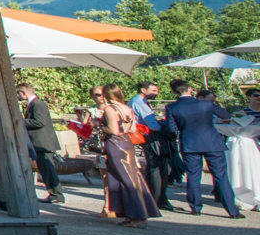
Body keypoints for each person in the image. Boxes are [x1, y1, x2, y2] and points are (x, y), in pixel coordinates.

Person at [165, 80, 244, 218]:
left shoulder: (172, 107)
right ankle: (232, 210)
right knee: (221, 176)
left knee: (193, 175)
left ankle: (196, 207)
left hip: (189, 144)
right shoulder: (206, 104)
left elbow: (171, 129)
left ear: (174, 92)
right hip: (211, 142)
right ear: (190, 89)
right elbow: (226, 115)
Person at [97, 83, 155, 225]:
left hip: (116, 144)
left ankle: (137, 215)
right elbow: (132, 128)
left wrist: (99, 126)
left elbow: (114, 130)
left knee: (125, 179)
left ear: (106, 95)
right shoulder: (127, 108)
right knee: (132, 177)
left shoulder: (110, 109)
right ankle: (134, 214)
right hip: (127, 142)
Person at [131, 81, 175, 211]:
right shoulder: (139, 103)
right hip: (150, 137)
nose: (156, 94)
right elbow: (152, 125)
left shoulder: (137, 101)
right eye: (154, 91)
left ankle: (154, 198)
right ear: (144, 90)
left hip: (146, 136)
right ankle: (157, 199)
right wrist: (163, 125)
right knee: (157, 169)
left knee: (154, 168)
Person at [19, 82, 64, 204]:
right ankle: (54, 193)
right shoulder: (33, 104)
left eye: (19, 93)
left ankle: (56, 194)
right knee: (45, 169)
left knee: (48, 169)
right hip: (39, 142)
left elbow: (39, 121)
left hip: (42, 142)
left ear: (23, 93)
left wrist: (21, 122)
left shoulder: (37, 104)